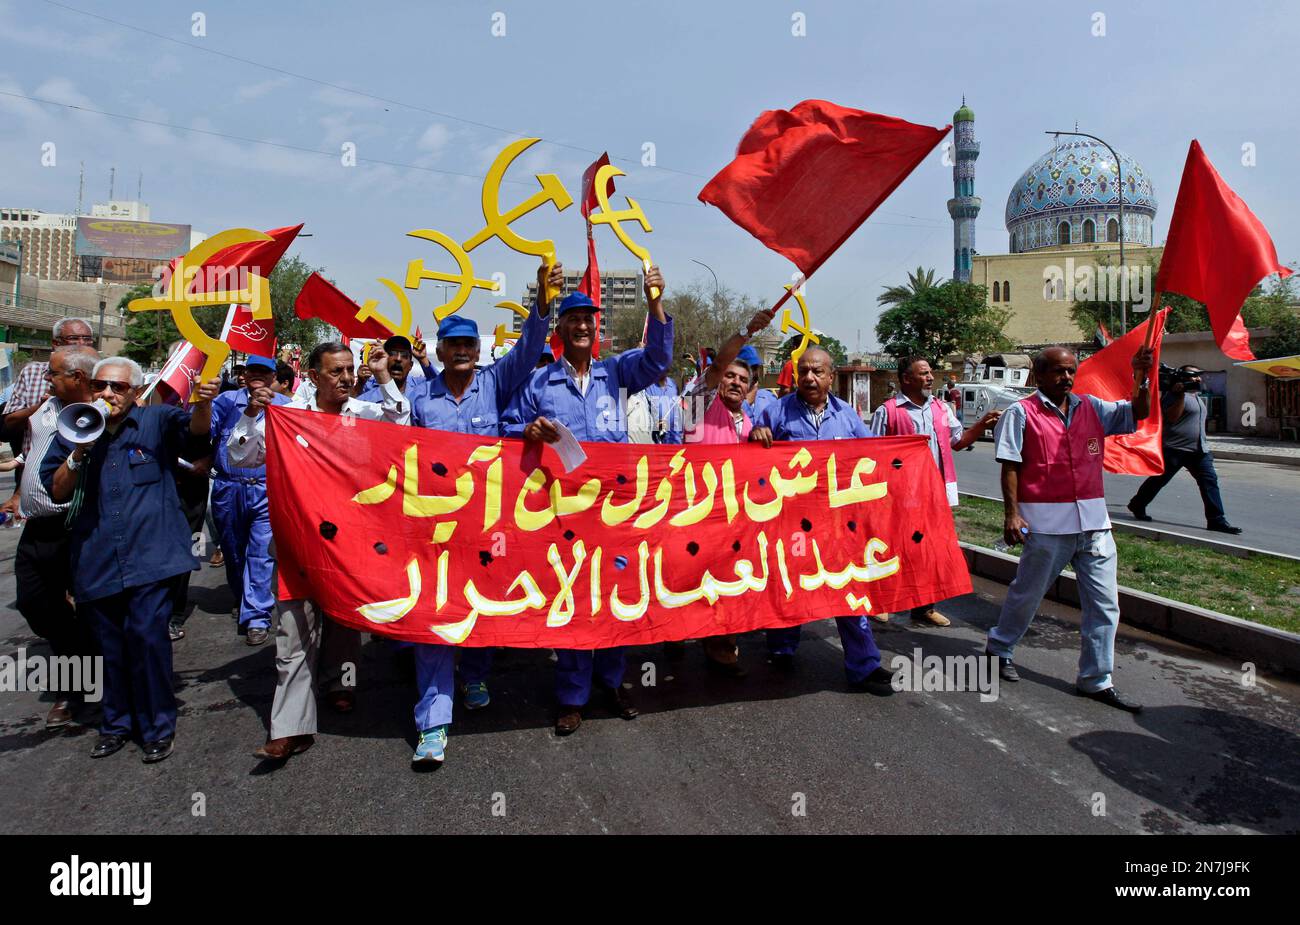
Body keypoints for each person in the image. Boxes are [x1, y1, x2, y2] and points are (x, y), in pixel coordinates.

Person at [505, 262, 672, 736]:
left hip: (614, 509)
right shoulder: (539, 384)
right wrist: (527, 430)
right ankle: (571, 695)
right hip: (562, 514)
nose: (582, 326)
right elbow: (505, 429)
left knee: (615, 594)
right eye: (573, 319)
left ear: (596, 329)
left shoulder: (616, 374)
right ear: (559, 330)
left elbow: (658, 360)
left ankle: (613, 681)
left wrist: (655, 300)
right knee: (575, 597)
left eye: (589, 320)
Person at [227, 342, 409, 762]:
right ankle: (291, 728)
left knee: (345, 620)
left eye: (350, 370)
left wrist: (382, 376)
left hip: (349, 540)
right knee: (293, 632)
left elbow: (400, 423)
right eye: (335, 372)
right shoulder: (288, 415)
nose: (346, 379)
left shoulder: (363, 413)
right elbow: (242, 455)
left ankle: (340, 684)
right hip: (298, 541)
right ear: (312, 375)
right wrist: (254, 413)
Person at [402, 261, 552, 764]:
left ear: (479, 351)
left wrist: (543, 305)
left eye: (470, 344)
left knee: (482, 607)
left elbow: (531, 347)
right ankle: (432, 722)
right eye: (454, 344)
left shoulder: (496, 384)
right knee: (436, 618)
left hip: (489, 527)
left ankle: (478, 674)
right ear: (439, 350)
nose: (463, 351)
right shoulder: (420, 397)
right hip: (437, 525)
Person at [42, 357, 221, 763]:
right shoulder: (74, 427)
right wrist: (79, 452)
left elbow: (195, 434)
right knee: (109, 646)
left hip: (152, 557)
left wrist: (205, 403)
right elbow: (55, 490)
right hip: (98, 560)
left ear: (136, 393)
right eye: (101, 386)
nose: (108, 394)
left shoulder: (156, 420)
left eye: (118, 388)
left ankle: (158, 726)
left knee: (146, 637)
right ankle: (115, 724)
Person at [985, 345, 1153, 713]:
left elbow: (1138, 412)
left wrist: (1142, 376)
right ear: (1038, 375)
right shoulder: (1020, 413)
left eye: (1071, 371)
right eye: (1059, 371)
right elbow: (1010, 466)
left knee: (1106, 606)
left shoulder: (1092, 408)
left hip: (1094, 526)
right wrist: (1011, 515)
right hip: (1046, 526)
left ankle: (1096, 679)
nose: (1067, 378)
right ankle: (999, 647)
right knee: (1027, 594)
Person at [748, 347, 896, 695]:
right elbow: (751, 464)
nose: (810, 378)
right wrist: (757, 436)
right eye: (804, 371)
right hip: (790, 522)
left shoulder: (846, 416)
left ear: (831, 377)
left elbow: (870, 459)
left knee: (849, 590)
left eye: (817, 372)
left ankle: (865, 665)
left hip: (837, 523)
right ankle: (782, 645)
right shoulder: (776, 413)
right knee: (790, 584)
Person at [679, 306, 778, 676]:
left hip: (734, 520)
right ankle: (677, 635)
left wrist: (758, 439)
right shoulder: (697, 405)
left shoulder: (750, 421)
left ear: (751, 387)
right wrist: (745, 331)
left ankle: (721, 642)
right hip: (695, 513)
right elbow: (718, 364)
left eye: (743, 378)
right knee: (686, 581)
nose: (735, 382)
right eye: (729, 375)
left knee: (728, 580)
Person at [869, 355, 1000, 627]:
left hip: (934, 495)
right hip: (900, 496)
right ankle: (883, 603)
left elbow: (958, 441)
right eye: (924, 373)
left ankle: (924, 607)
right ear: (907, 379)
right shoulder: (889, 411)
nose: (930, 377)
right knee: (894, 548)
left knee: (929, 552)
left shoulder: (941, 409)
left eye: (930, 373)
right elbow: (874, 456)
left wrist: (980, 425)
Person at [15, 345, 100, 729]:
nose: (47, 380)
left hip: (75, 525)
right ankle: (81, 654)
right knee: (34, 602)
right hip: (36, 526)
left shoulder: (99, 413)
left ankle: (76, 687)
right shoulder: (45, 408)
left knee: (92, 605)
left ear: (78, 378)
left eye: (54, 374)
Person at [209, 355, 291, 646]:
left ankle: (257, 616)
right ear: (244, 374)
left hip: (266, 489)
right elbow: (207, 433)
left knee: (261, 552)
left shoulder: (284, 406)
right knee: (233, 550)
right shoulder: (226, 401)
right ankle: (241, 594)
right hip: (229, 488)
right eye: (253, 370)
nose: (258, 376)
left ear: (272, 377)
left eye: (265, 372)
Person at [1126, 365, 1241, 535]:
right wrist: (1178, 395)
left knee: (1209, 482)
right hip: (1175, 449)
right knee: (1158, 480)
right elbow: (1171, 417)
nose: (1199, 379)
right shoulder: (1172, 395)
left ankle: (1216, 520)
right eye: (1195, 376)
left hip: (1199, 451)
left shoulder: (1196, 395)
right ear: (1184, 377)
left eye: (1199, 376)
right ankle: (1138, 504)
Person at [1, 317, 97, 518]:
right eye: (74, 338)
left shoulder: (101, 395)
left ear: (79, 377)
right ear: (56, 343)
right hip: (31, 478)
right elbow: (11, 426)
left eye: (87, 339)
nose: (81, 344)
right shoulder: (35, 378)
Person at [738, 344, 776, 421]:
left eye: (755, 368)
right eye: (749, 368)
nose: (754, 372)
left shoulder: (768, 397)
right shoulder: (729, 401)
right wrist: (747, 403)